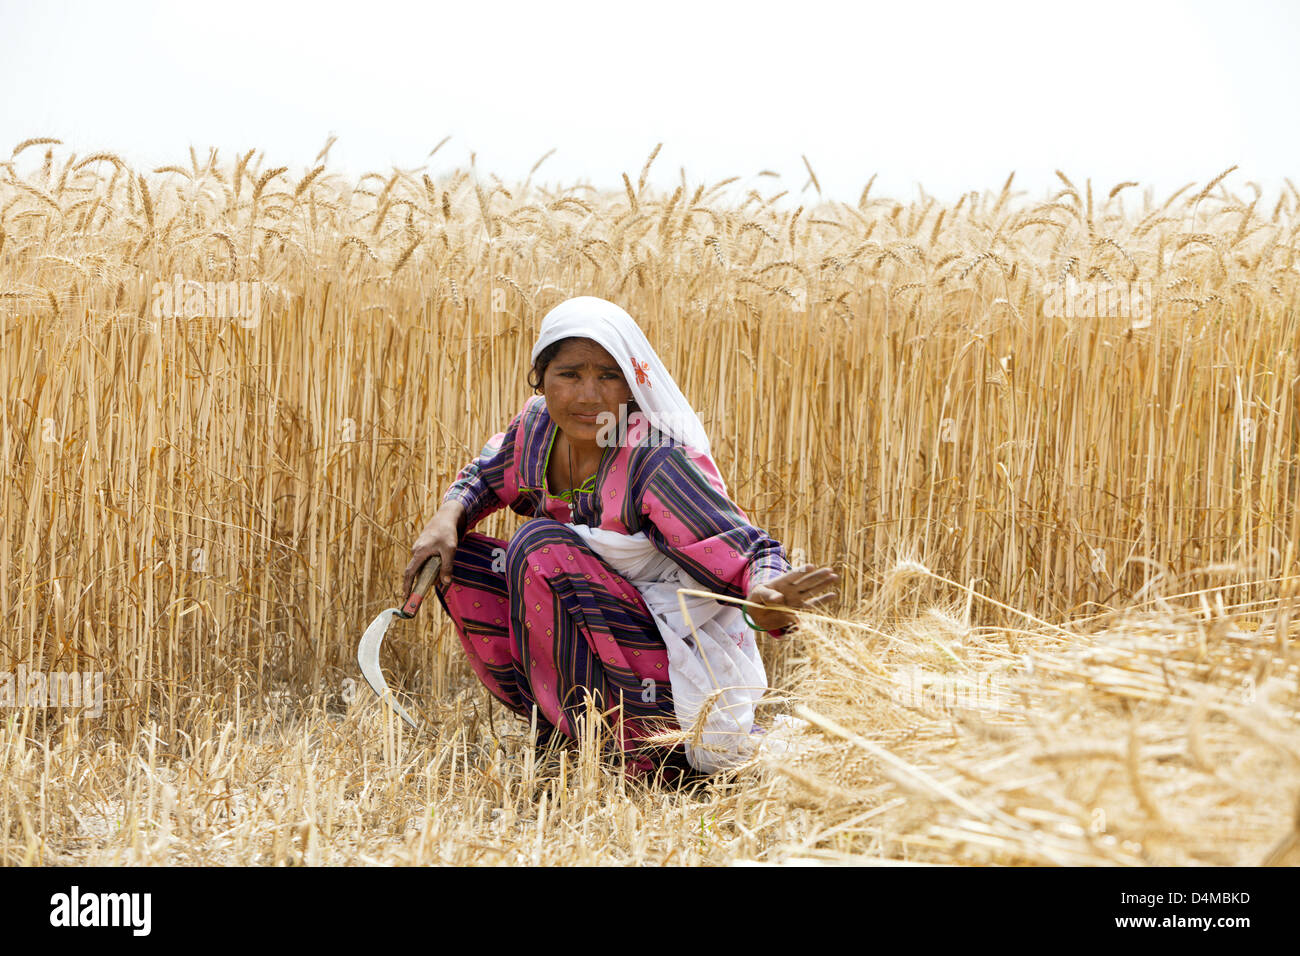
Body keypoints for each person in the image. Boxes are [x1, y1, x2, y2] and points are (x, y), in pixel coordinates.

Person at [404, 295, 838, 777]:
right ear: (540, 380)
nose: (588, 396)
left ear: (633, 386)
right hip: (586, 623)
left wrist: (765, 595)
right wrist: (447, 516)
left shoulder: (655, 460)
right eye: (569, 374)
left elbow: (749, 547)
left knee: (539, 547)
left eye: (608, 376)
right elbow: (486, 476)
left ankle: (639, 749)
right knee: (461, 559)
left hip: (661, 645)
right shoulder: (535, 429)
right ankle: (559, 734)